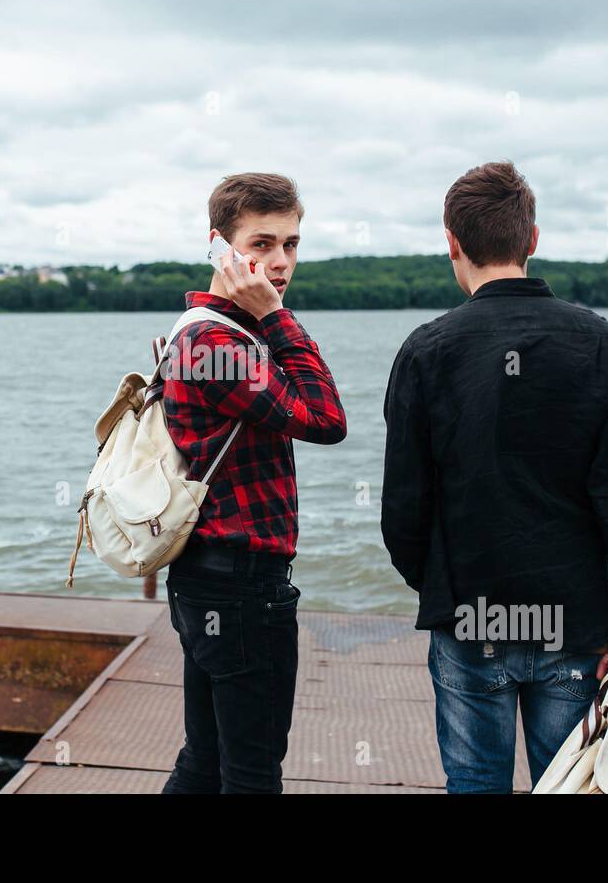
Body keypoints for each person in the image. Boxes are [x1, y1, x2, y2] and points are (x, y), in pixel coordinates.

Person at [381, 161, 608, 793]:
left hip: (469, 619)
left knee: (475, 785)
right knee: (570, 788)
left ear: (452, 243)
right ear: (532, 240)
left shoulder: (426, 351)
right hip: (572, 621)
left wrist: (439, 587)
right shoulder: (603, 346)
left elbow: (403, 508)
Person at [160, 172, 347, 793]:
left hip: (208, 578)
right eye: (261, 244)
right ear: (219, 246)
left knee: (207, 761)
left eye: (291, 244)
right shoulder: (216, 343)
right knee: (251, 774)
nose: (280, 261)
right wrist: (276, 314)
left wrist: (265, 317)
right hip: (239, 586)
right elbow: (325, 419)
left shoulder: (205, 331)